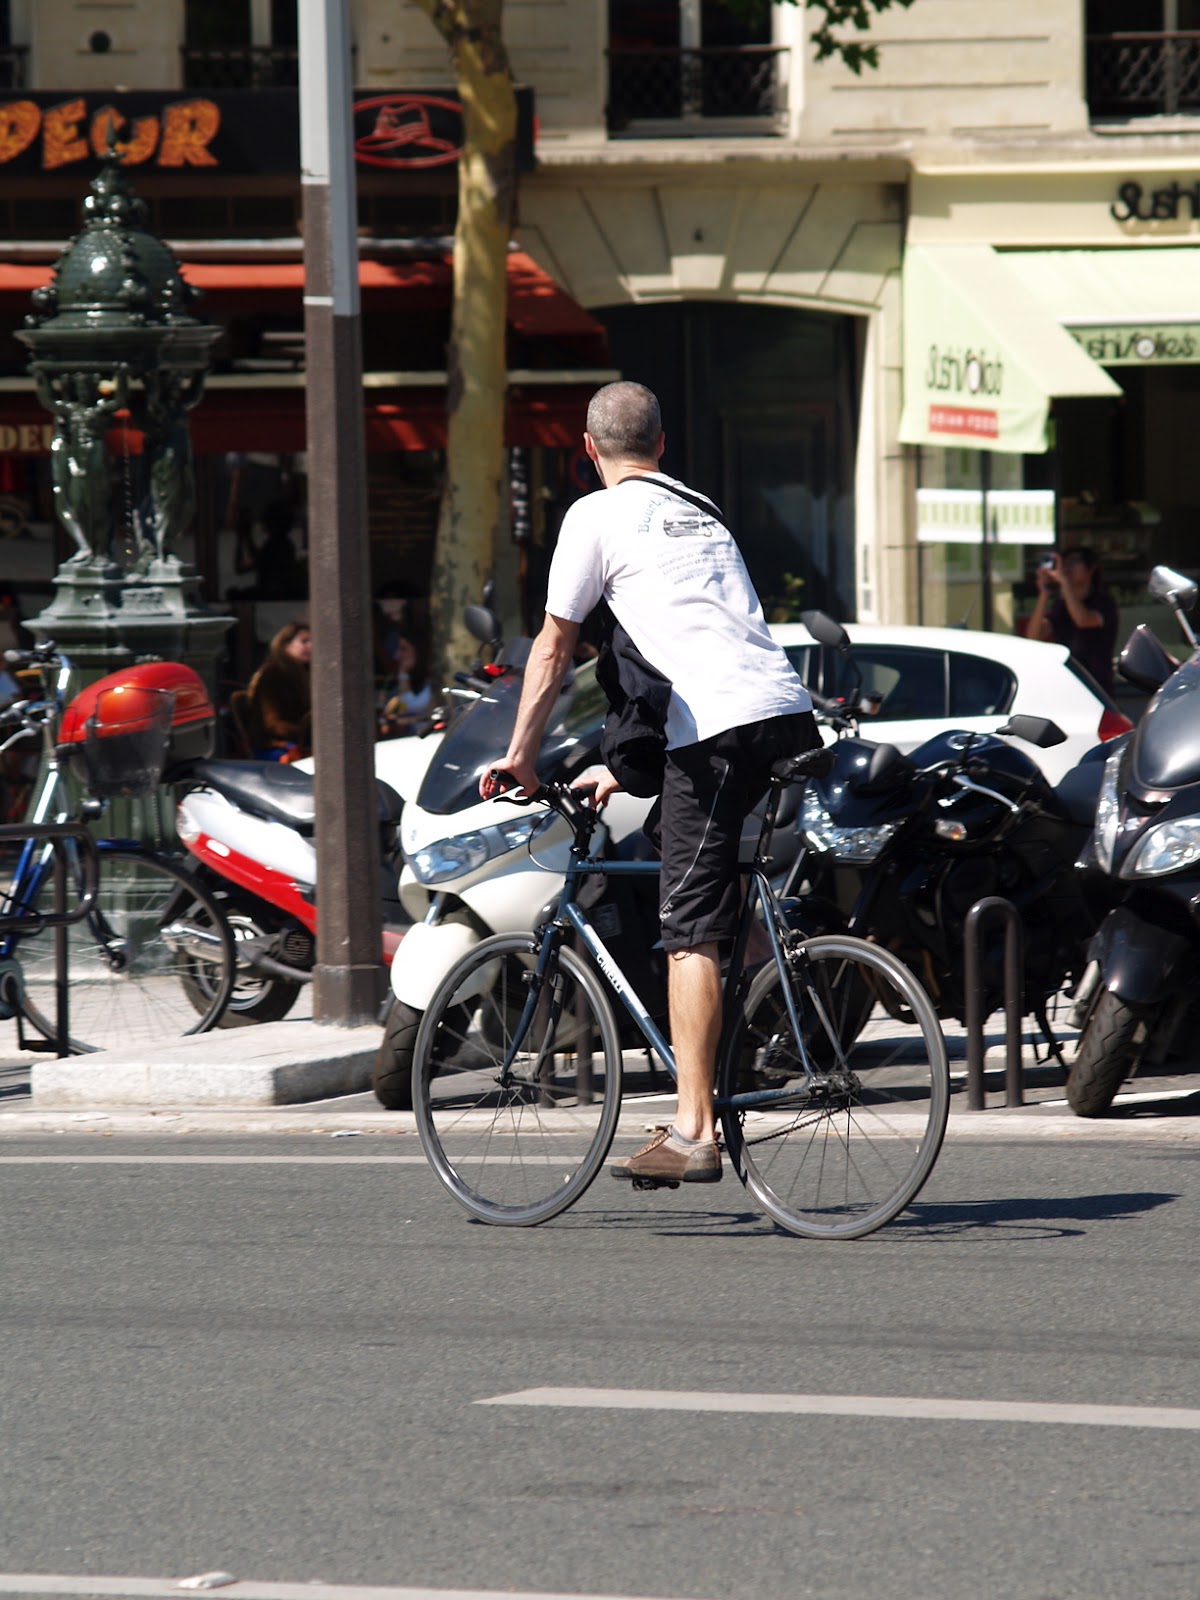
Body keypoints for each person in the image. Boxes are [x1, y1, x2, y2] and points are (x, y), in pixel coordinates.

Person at [480, 380, 818, 1188]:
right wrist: (620, 766)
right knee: (708, 889)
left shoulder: (593, 516)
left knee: (688, 928)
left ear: (587, 449)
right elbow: (681, 646)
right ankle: (751, 1030)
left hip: (719, 731)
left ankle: (695, 1129)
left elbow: (557, 647)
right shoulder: (700, 507)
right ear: (662, 446)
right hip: (781, 714)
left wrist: (523, 757)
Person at [1027, 545, 1119, 694]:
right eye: (1065, 563)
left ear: (1091, 568)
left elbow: (1082, 620)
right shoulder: (1061, 606)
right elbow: (1034, 635)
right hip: (1067, 684)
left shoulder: (1104, 603)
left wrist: (1064, 583)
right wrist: (1044, 594)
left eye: (1074, 562)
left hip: (1097, 687)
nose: (1067, 568)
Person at [244, 620, 312, 761]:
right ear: (286, 646)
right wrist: (307, 732)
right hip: (273, 746)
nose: (311, 646)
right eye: (304, 641)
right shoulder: (273, 673)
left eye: (312, 641)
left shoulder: (308, 673)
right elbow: (272, 725)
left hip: (303, 742)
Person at [379, 634, 433, 737]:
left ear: (417, 652)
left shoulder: (433, 684)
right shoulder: (399, 682)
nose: (398, 654)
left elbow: (410, 705)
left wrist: (403, 675)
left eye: (404, 649)